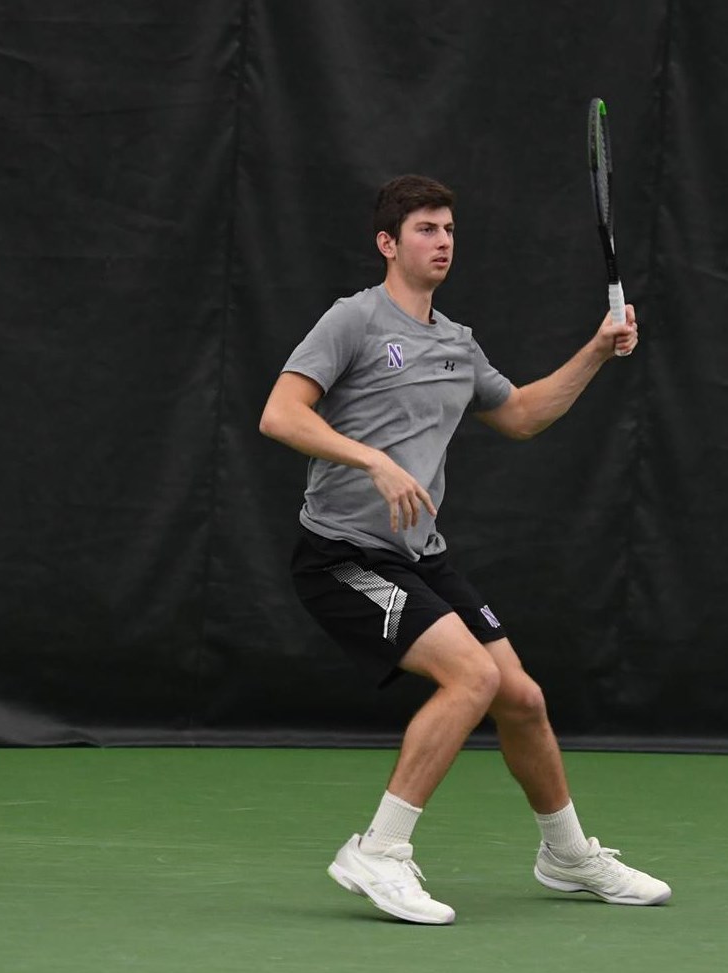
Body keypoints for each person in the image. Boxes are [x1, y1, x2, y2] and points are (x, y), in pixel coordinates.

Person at [258, 174, 670, 925]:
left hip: (420, 553)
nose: (443, 241)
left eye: (448, 228)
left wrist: (595, 351)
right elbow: (281, 414)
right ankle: (379, 851)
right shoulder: (353, 320)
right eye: (425, 228)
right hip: (342, 554)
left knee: (522, 698)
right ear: (387, 243)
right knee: (472, 677)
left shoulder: (457, 343)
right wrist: (373, 461)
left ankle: (567, 855)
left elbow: (520, 415)